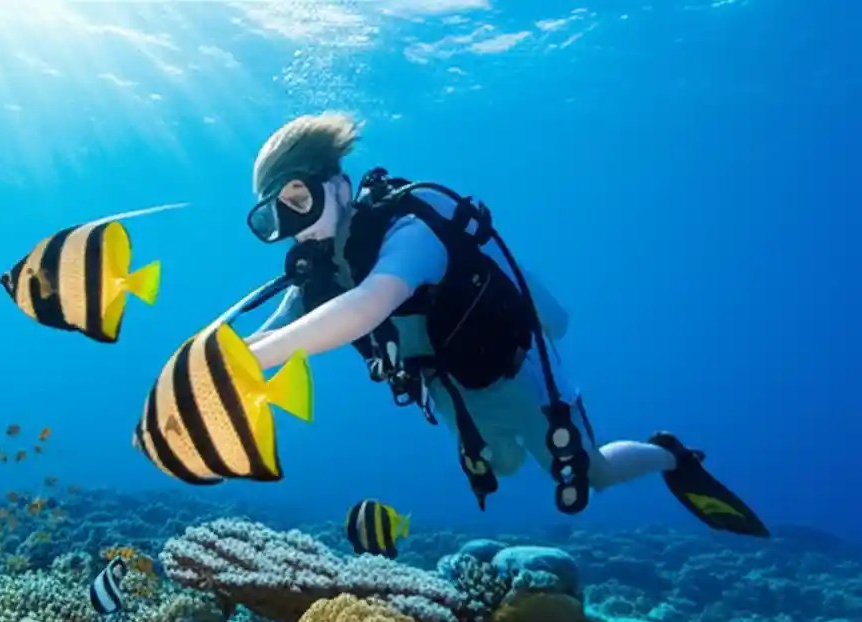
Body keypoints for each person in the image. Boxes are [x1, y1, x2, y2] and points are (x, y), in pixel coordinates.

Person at [235, 112, 768, 537]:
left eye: (300, 201)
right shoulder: (319, 272)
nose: (294, 228)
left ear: (339, 186)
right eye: (275, 218)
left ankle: (669, 454)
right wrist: (207, 362)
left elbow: (370, 305)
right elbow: (271, 332)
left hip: (513, 365)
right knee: (502, 464)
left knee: (592, 475)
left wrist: (244, 364)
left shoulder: (410, 231)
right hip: (448, 385)